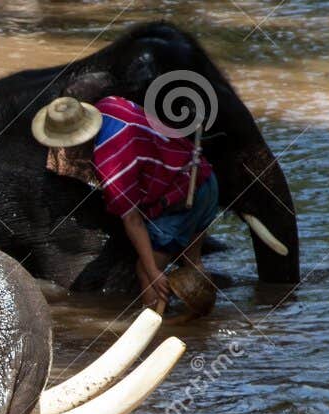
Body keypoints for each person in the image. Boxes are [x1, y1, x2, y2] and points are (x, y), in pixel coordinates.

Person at [32, 94, 220, 317]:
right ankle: (207, 321)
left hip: (181, 199)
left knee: (147, 272)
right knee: (192, 260)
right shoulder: (109, 104)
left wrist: (152, 269)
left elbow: (132, 219)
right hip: (204, 177)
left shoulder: (110, 163)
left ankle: (153, 327)